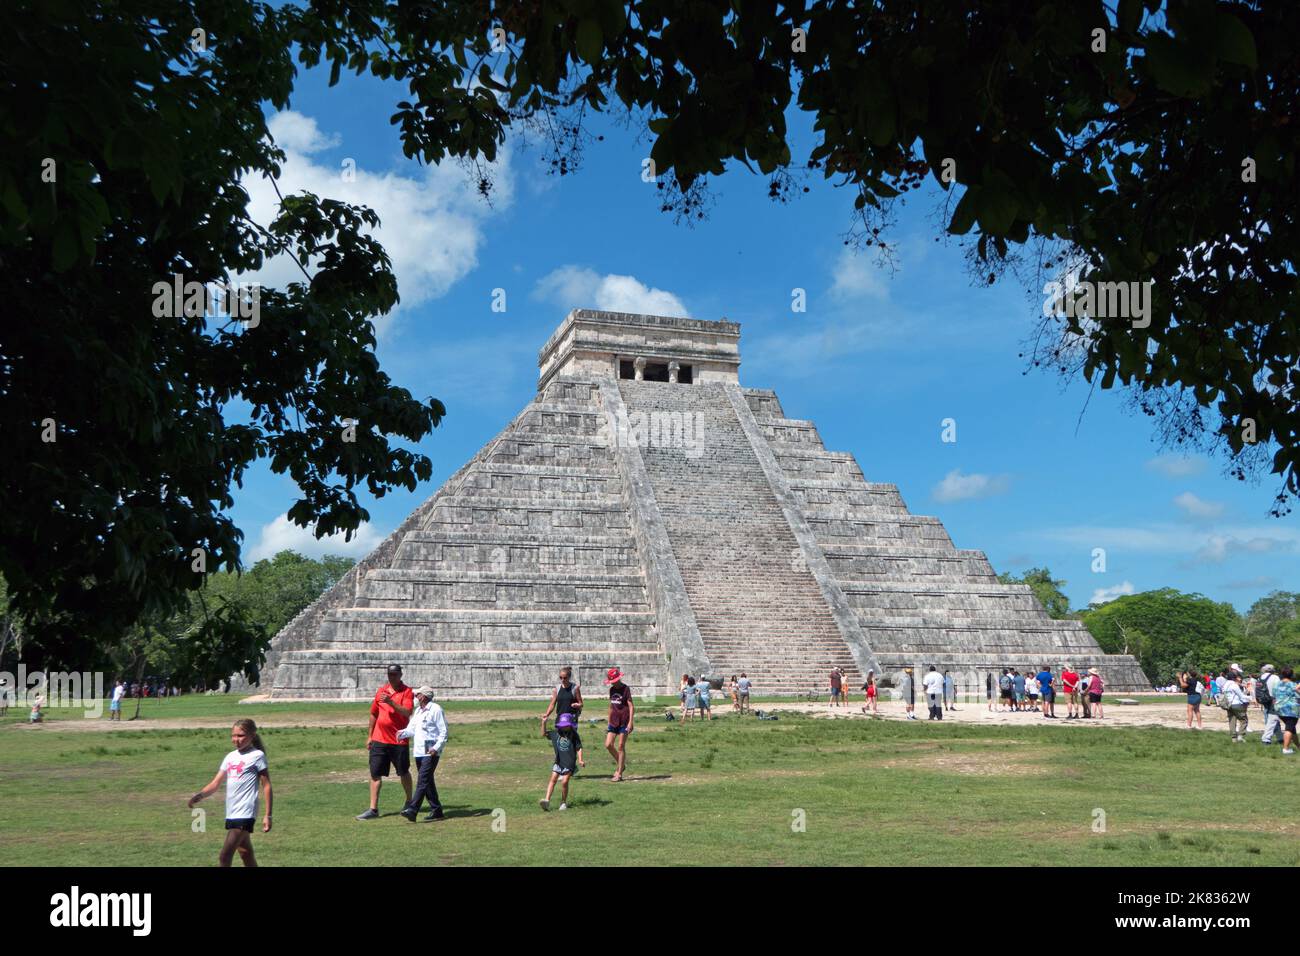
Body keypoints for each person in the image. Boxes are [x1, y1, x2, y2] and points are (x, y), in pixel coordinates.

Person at [188, 719, 272, 867]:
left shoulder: (257, 756)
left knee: (224, 857)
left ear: (252, 736)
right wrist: (199, 795)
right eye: (233, 735)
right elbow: (215, 783)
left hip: (245, 812)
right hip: (232, 812)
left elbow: (266, 786)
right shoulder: (230, 756)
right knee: (246, 854)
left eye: (240, 735)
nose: (236, 740)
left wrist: (268, 815)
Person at [356, 664, 415, 820]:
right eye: (390, 674)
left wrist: (391, 702)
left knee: (403, 772)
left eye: (395, 674)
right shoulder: (381, 691)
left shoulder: (407, 692)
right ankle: (373, 809)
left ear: (401, 674)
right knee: (375, 774)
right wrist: (370, 736)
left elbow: (407, 712)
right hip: (379, 739)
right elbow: (373, 714)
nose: (392, 677)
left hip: (398, 740)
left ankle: (410, 801)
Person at [398, 685, 447, 822]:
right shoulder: (418, 711)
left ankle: (413, 810)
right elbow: (412, 729)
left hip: (431, 749)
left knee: (423, 780)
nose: (415, 696)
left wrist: (436, 748)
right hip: (419, 750)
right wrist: (402, 733)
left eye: (417, 694)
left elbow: (444, 732)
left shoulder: (436, 709)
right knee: (428, 781)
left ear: (424, 696)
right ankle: (437, 810)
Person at [540, 712, 584, 810]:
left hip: (569, 762)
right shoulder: (556, 733)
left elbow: (579, 748)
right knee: (553, 779)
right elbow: (543, 734)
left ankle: (563, 802)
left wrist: (580, 759)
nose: (564, 727)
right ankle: (546, 801)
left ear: (570, 725)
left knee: (564, 782)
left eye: (566, 725)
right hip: (559, 761)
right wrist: (544, 723)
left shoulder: (574, 734)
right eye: (562, 725)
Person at [604, 667, 634, 781]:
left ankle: (619, 773)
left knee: (621, 746)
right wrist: (608, 720)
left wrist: (630, 722)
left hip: (624, 721)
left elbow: (631, 706)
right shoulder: (611, 690)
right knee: (608, 745)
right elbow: (611, 706)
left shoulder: (626, 689)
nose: (613, 683)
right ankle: (621, 764)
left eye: (614, 680)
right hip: (613, 721)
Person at [539, 666, 583, 733]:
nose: (562, 680)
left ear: (569, 677)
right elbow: (552, 704)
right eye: (560, 678)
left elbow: (581, 704)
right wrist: (547, 714)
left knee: (570, 740)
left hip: (571, 719)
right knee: (559, 740)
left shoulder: (575, 688)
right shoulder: (557, 689)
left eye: (565, 678)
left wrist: (577, 705)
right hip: (560, 718)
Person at [1220, 666, 1250, 742]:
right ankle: (1241, 735)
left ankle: (1233, 738)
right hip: (1236, 704)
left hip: (1228, 704)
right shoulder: (1234, 685)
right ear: (1234, 678)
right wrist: (1250, 698)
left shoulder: (1225, 685)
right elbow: (1241, 696)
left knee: (1232, 720)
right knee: (1244, 720)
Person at [1272, 666, 1297, 755]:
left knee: (1291, 728)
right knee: (1289, 728)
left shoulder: (1277, 684)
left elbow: (1274, 696)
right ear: (1291, 674)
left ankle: (1298, 746)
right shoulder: (1294, 685)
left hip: (1279, 709)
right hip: (1291, 709)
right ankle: (1286, 749)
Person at [1257, 664, 1281, 745]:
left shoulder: (1260, 677)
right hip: (1273, 700)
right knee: (1273, 719)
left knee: (1272, 719)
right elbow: (1278, 689)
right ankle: (1266, 739)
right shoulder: (1275, 677)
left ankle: (1280, 737)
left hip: (1264, 700)